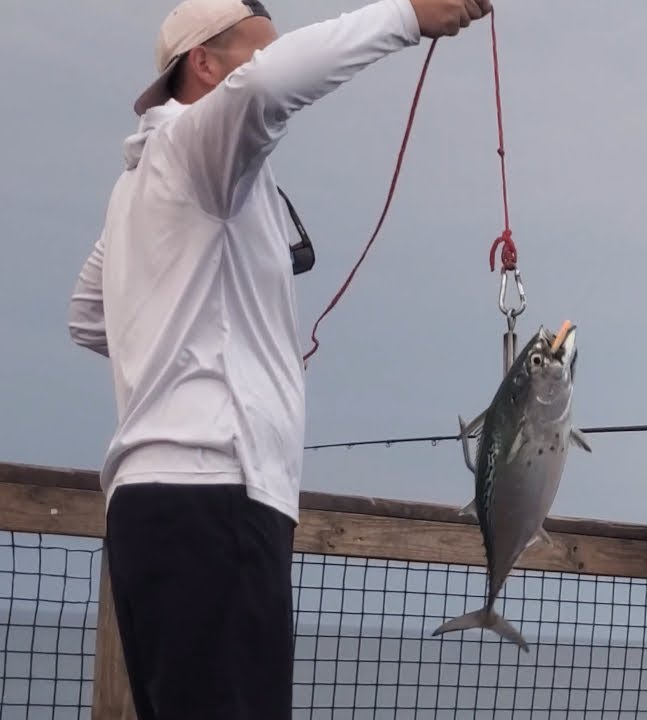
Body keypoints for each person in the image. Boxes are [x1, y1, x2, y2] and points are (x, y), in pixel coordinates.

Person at [65, 0, 491, 717]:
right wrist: (410, 14)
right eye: (258, 52)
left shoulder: (138, 185)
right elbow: (266, 89)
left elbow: (87, 316)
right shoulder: (196, 154)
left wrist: (189, 345)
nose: (270, 65)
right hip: (215, 499)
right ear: (204, 64)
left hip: (146, 510)